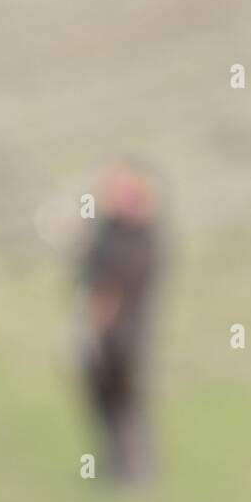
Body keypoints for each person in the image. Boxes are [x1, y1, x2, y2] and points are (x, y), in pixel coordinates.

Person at [80, 165, 162, 483]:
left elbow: (124, 278)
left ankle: (136, 472)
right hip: (102, 332)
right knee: (102, 400)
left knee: (128, 401)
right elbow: (89, 273)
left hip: (128, 333)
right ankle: (114, 465)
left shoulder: (143, 234)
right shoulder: (107, 230)